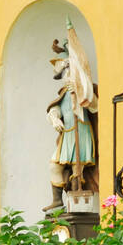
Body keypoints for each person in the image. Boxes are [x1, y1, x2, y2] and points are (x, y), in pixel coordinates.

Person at [45, 22, 99, 212]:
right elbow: (56, 109)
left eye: (59, 65)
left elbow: (94, 107)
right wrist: (55, 118)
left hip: (81, 132)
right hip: (67, 134)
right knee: (55, 166)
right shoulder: (63, 91)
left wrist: (81, 93)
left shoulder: (82, 87)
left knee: (79, 171)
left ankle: (79, 209)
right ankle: (58, 201)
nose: (58, 69)